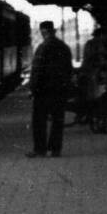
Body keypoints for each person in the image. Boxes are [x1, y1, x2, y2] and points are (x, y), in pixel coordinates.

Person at [28, 21, 73, 157]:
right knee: (57, 120)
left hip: (43, 91)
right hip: (60, 89)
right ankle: (55, 149)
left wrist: (32, 88)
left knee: (39, 121)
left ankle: (40, 150)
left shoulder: (42, 48)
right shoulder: (64, 47)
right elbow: (69, 70)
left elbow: (37, 71)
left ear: (43, 32)